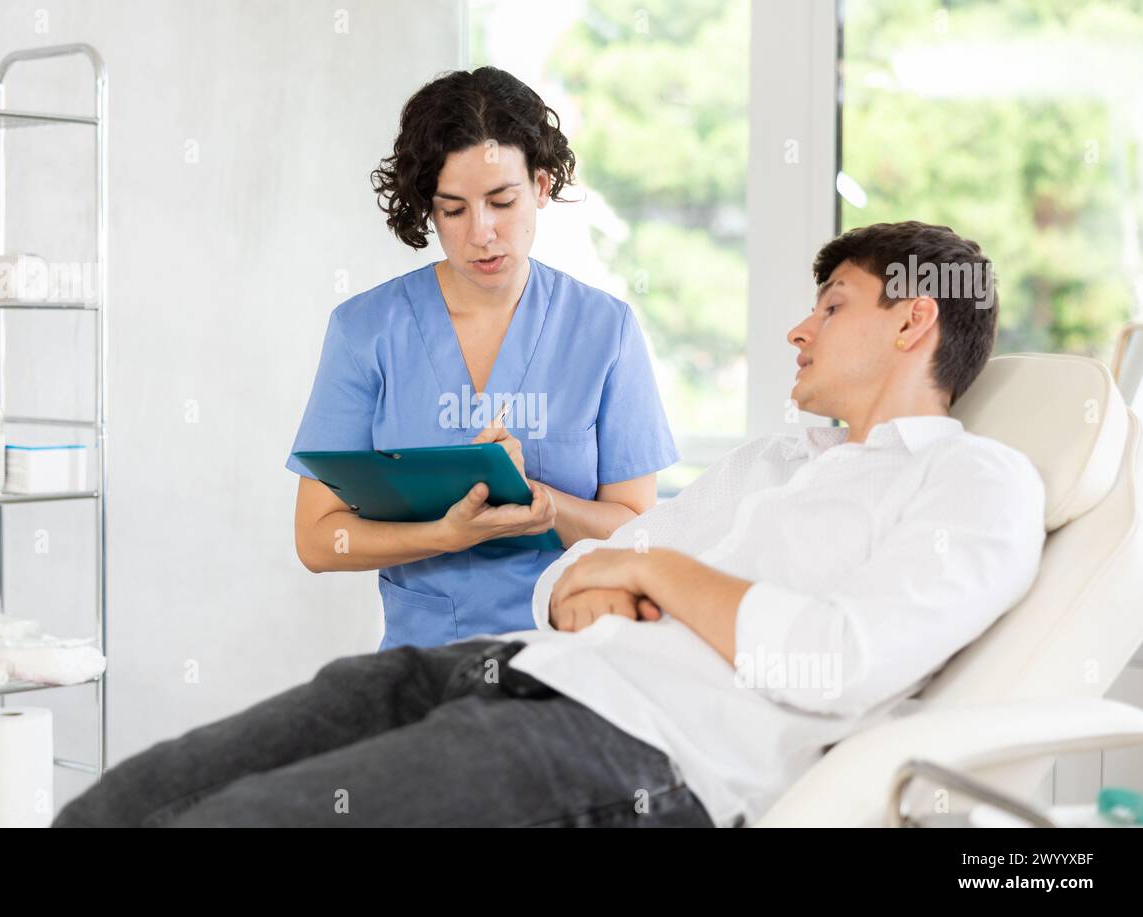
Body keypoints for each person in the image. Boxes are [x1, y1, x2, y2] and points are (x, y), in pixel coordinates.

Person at [54, 221, 1045, 828]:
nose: (798, 327)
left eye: (831, 303)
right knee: (131, 799)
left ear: (915, 320)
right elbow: (584, 566)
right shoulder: (778, 458)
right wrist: (635, 570)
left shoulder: (977, 484)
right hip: (498, 667)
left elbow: (833, 658)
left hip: (639, 752)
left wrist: (653, 571)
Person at [287, 66, 679, 650]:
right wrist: (444, 534)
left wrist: (544, 505)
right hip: (423, 664)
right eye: (453, 209)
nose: (482, 233)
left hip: (572, 660)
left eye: (502, 201)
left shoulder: (604, 330)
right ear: (428, 208)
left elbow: (635, 531)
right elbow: (319, 540)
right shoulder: (366, 331)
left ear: (542, 186)